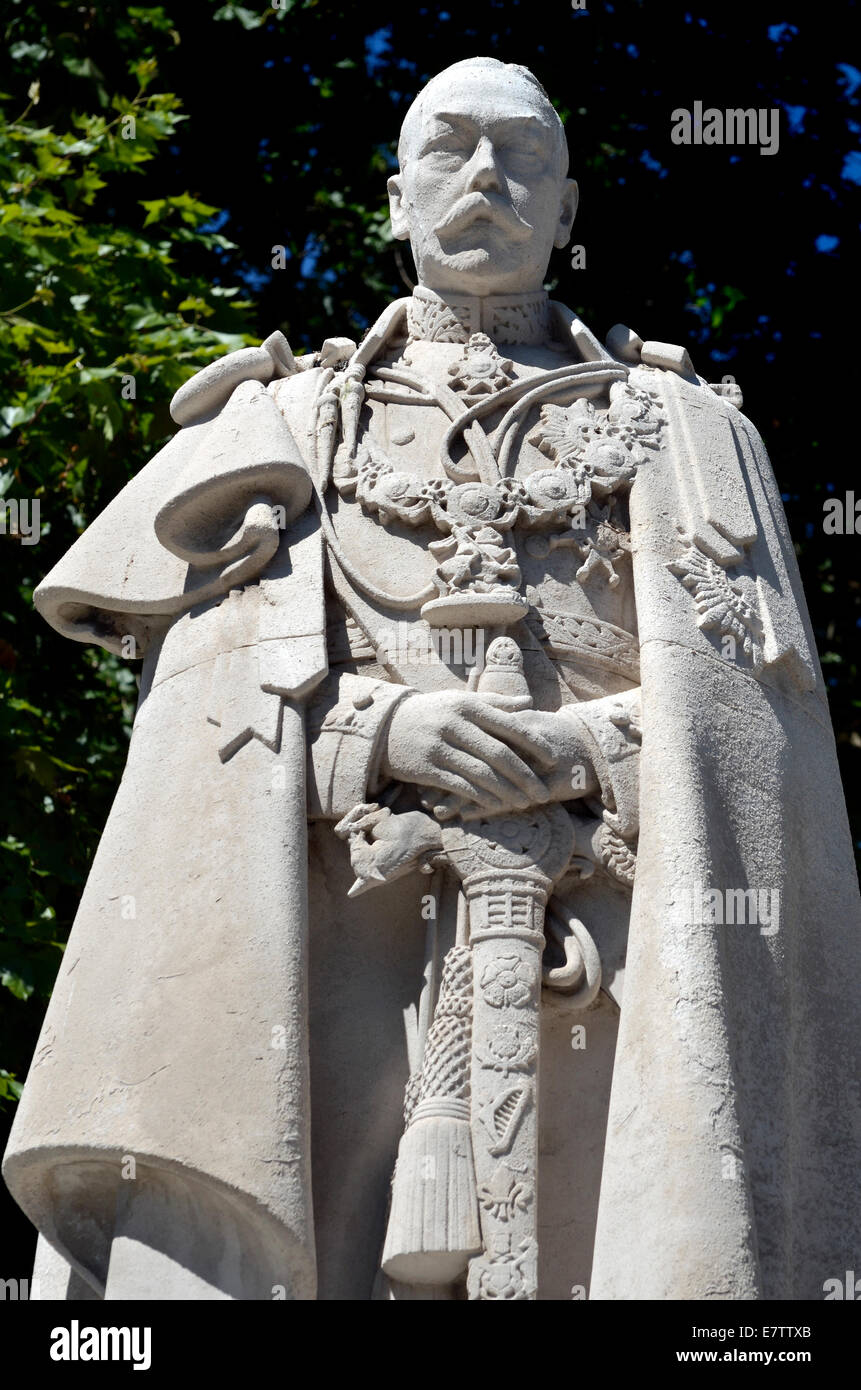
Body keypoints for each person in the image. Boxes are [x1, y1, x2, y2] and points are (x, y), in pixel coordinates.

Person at [5, 57, 860, 1301]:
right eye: (448, 147)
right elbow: (191, 712)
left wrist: (590, 748)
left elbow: (762, 728)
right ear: (394, 199)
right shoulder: (282, 424)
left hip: (617, 959)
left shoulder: (692, 432)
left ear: (568, 213)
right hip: (337, 951)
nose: (484, 177)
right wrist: (379, 729)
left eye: (521, 156)